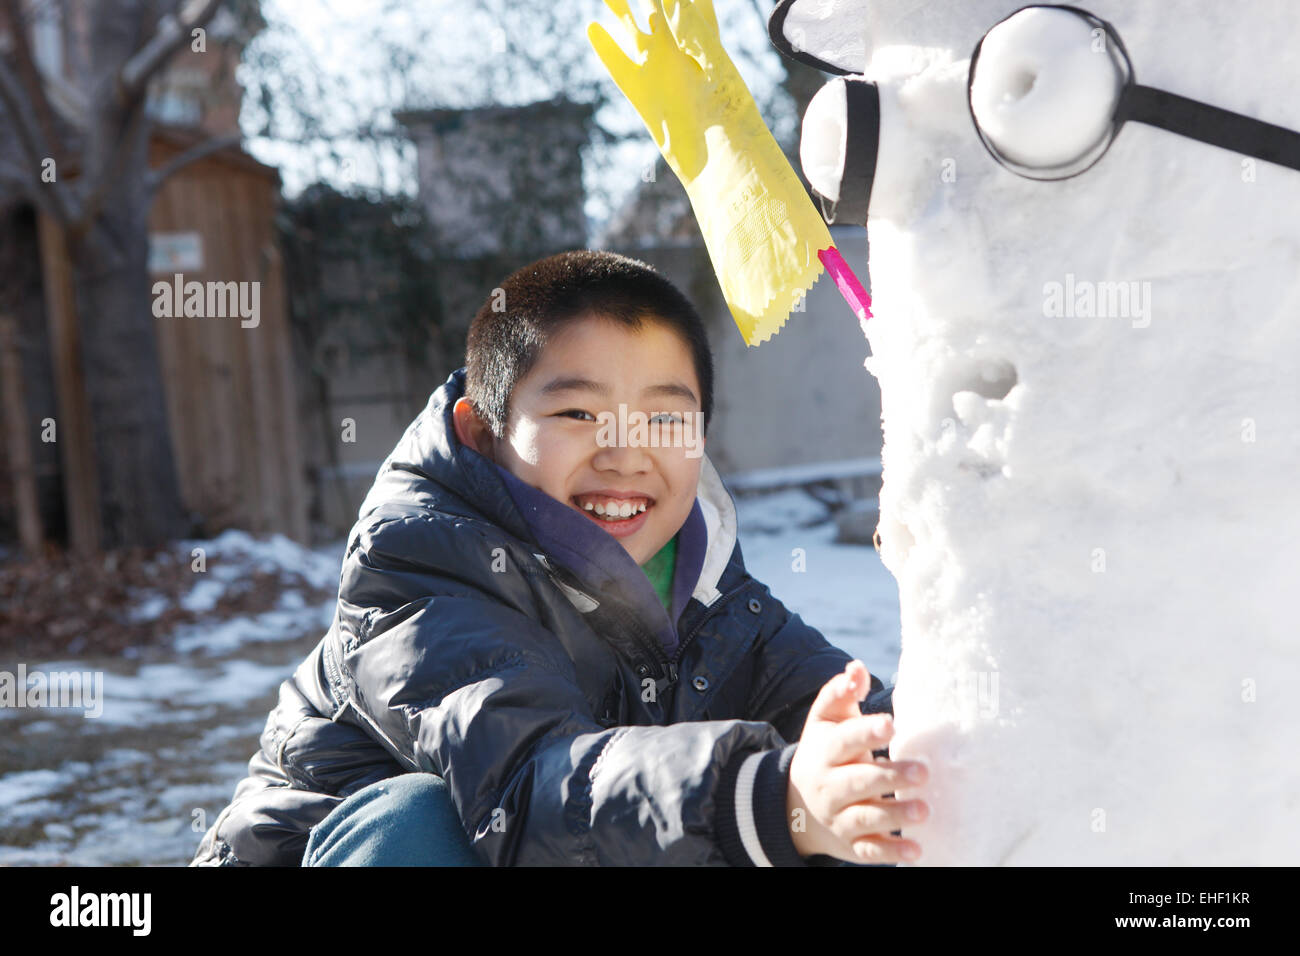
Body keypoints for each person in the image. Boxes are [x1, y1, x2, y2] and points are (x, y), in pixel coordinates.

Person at [190, 249, 928, 867]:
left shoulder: (713, 595)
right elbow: (529, 789)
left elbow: (859, 722)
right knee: (417, 823)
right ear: (482, 434)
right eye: (578, 413)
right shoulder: (425, 571)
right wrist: (770, 798)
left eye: (666, 418)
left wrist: (880, 751)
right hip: (356, 850)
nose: (626, 451)